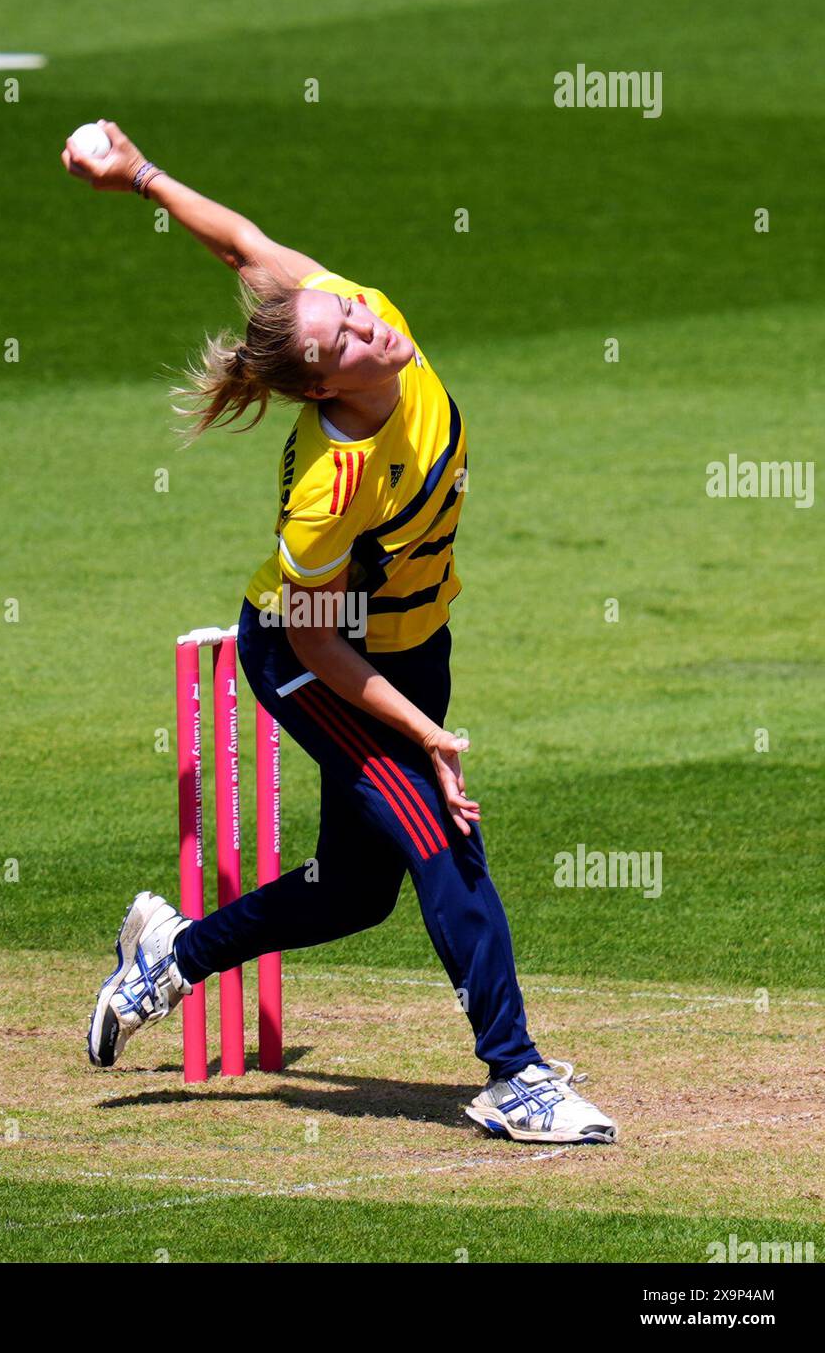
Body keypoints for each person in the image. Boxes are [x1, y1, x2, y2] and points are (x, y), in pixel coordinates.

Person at [63, 121, 617, 1144]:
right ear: (321, 384)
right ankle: (515, 1076)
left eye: (352, 309)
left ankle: (170, 958)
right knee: (444, 837)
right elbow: (319, 647)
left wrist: (138, 173)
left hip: (409, 644)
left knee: (356, 890)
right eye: (346, 337)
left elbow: (244, 247)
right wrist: (428, 736)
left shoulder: (366, 316)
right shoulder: (328, 490)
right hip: (315, 662)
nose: (369, 322)